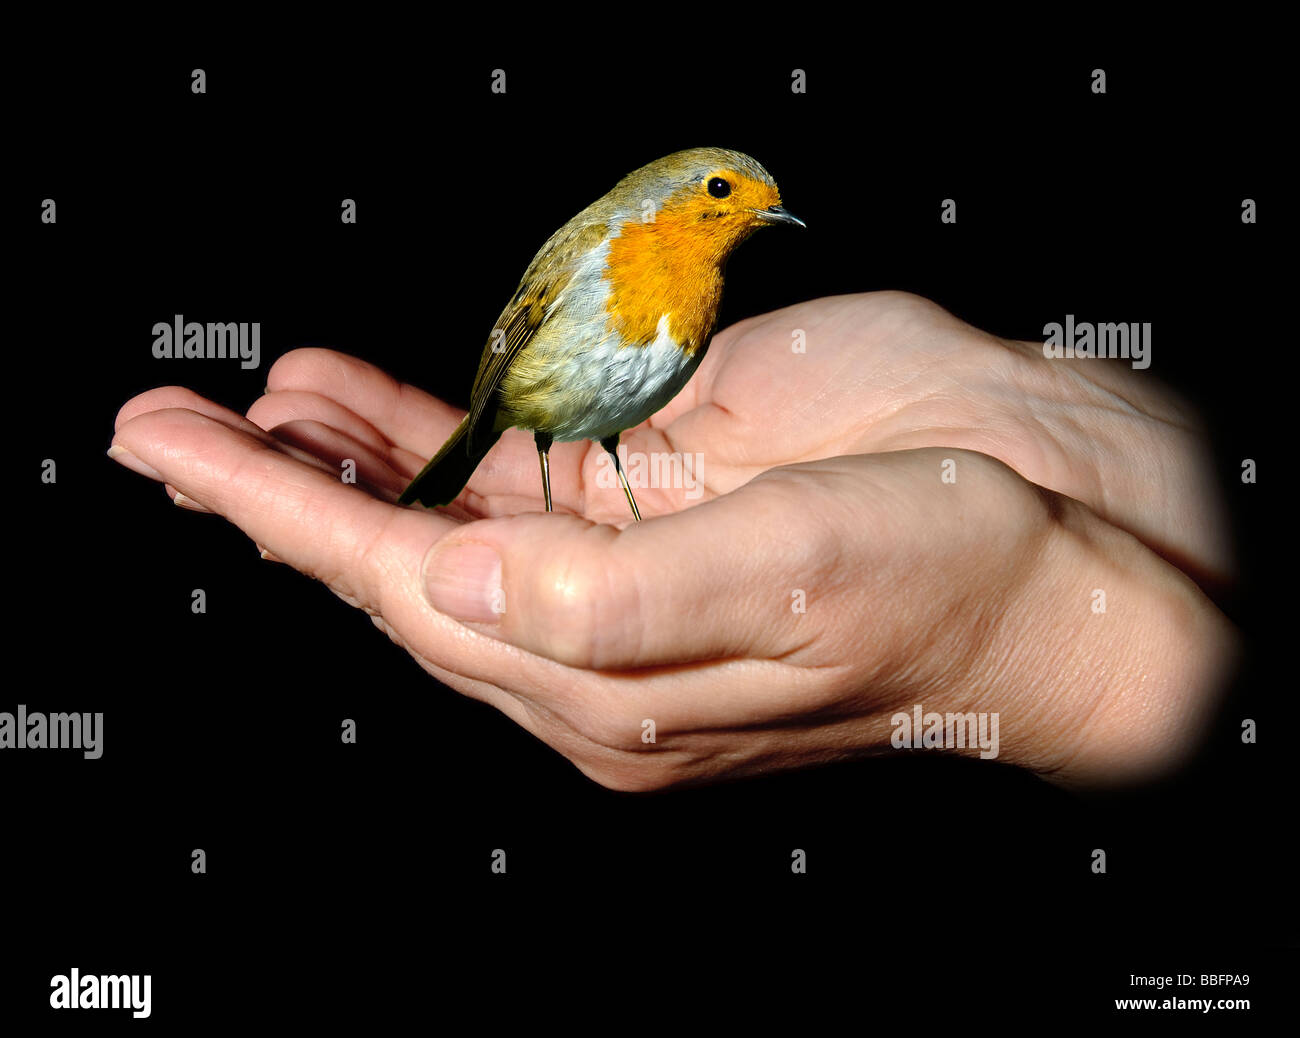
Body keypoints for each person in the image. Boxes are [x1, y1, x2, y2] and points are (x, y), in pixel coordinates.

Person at [110, 291, 1239, 790]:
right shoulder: (607, 256)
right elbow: (529, 341)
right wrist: (1093, 444)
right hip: (533, 402)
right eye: (720, 194)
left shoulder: (693, 291)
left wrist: (1037, 634)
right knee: (549, 441)